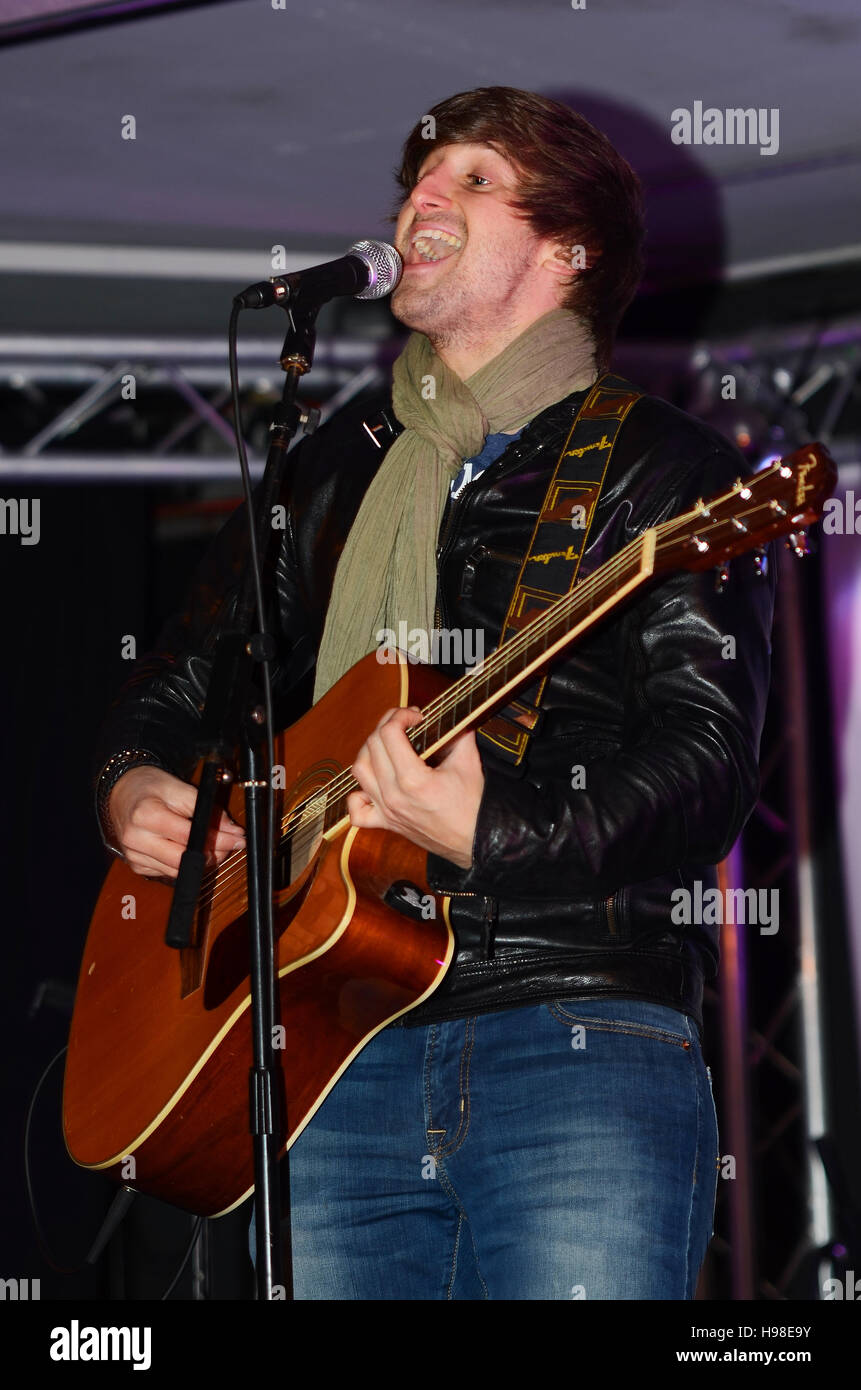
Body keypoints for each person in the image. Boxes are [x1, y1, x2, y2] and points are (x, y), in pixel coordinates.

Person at [92, 87, 775, 1299]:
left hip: (571, 1034)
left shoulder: (665, 469)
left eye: (470, 177)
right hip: (330, 1050)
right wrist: (132, 788)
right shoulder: (333, 468)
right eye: (419, 177)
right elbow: (179, 686)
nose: (420, 198)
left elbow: (708, 763)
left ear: (567, 249)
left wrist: (492, 830)